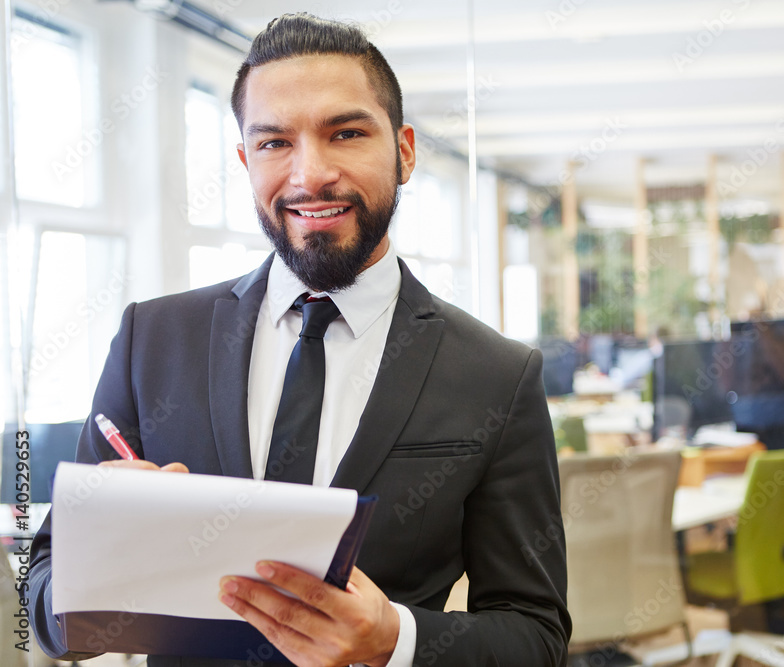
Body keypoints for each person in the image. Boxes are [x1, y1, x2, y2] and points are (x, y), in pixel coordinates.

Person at [28, 13, 570, 667]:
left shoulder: (496, 375)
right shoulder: (155, 339)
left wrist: (394, 640)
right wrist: (105, 566)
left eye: (345, 133)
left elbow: (535, 635)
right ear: (244, 160)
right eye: (274, 143)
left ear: (404, 150)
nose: (311, 175)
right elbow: (45, 607)